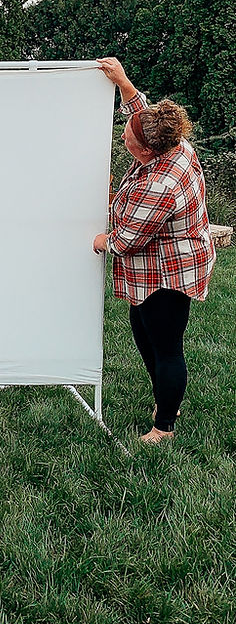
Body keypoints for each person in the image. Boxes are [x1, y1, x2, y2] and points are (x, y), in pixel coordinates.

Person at [94, 58, 216, 443]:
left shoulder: (160, 185)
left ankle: (164, 425)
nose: (124, 139)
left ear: (145, 151)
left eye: (128, 140)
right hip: (156, 268)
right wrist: (125, 84)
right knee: (144, 333)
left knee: (165, 347)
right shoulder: (174, 144)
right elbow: (143, 119)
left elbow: (127, 239)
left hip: (168, 272)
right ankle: (167, 399)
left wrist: (101, 241)